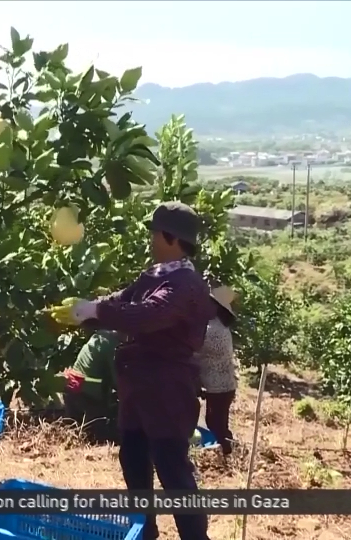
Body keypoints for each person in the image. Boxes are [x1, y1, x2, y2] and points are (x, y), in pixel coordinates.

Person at [66, 201, 215, 540]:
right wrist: (83, 312)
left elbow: (147, 315)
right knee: (133, 457)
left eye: (154, 233)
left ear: (171, 237)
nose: (151, 239)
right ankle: (144, 531)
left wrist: (97, 311)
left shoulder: (186, 284)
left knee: (171, 467)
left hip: (168, 388)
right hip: (139, 386)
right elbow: (123, 301)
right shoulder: (157, 275)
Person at [197, 285, 238, 456]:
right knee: (217, 423)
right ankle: (228, 453)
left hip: (219, 387)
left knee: (216, 425)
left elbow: (195, 349)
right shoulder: (219, 326)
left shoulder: (211, 329)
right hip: (223, 386)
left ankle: (228, 453)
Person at [63, 330, 120, 439]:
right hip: (87, 396)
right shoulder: (111, 344)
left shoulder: (100, 336)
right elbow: (118, 381)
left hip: (71, 389)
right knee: (106, 435)